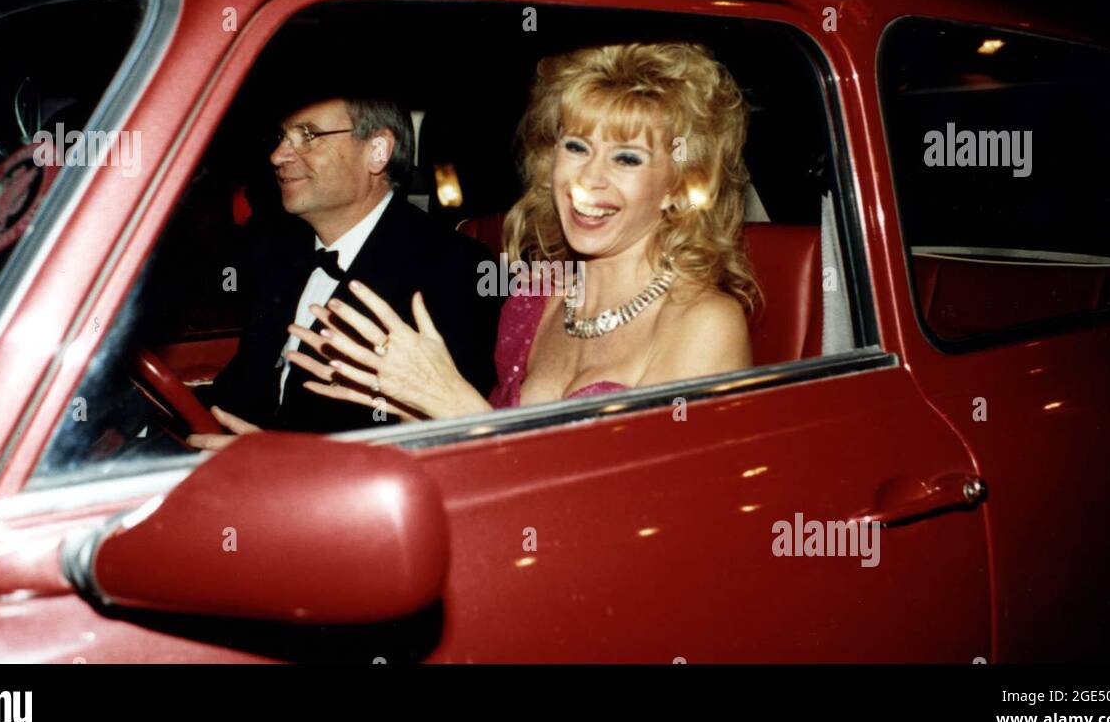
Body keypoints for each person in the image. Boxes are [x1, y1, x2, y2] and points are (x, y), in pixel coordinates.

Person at [283, 42, 761, 421]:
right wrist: (399, 412)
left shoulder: (705, 324)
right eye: (575, 147)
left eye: (627, 158)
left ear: (678, 185)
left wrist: (453, 404)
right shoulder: (537, 297)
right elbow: (488, 454)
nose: (586, 181)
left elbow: (648, 517)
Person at [187, 96, 500, 449]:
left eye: (308, 135)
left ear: (378, 151)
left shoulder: (454, 268)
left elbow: (449, 443)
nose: (278, 156)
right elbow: (241, 391)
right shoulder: (281, 256)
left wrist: (285, 463)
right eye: (281, 138)